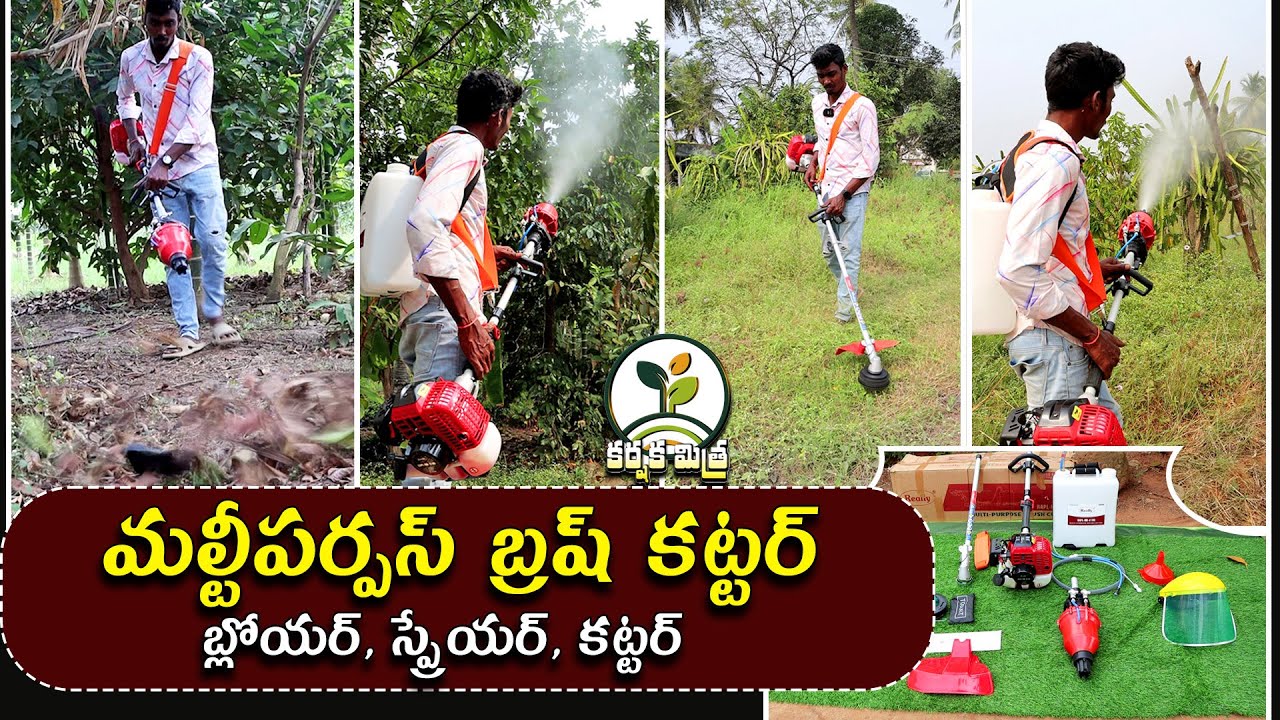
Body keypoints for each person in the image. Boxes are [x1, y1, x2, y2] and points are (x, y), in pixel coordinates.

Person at [399, 69, 527, 484]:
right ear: (498, 116)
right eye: (508, 118)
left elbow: (446, 228)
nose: (507, 127)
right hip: (444, 316)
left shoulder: (437, 148)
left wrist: (487, 253)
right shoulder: (467, 148)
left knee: (436, 447)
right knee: (432, 448)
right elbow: (424, 223)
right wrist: (467, 321)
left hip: (425, 309)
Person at [997, 42, 1132, 423]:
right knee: (1067, 451)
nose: (1108, 111)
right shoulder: (1056, 162)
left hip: (1052, 336)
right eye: (1109, 100)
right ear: (1094, 100)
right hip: (1055, 341)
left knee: (1108, 427)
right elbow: (1017, 270)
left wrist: (1089, 270)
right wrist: (1093, 336)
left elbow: (1037, 243)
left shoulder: (1029, 148)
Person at [118, 0, 240, 359]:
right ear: (144, 21)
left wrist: (165, 162)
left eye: (168, 24)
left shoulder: (198, 59)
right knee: (174, 249)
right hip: (160, 170)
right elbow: (125, 99)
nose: (162, 32)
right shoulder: (131, 58)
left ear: (178, 21)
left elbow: (197, 121)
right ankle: (188, 332)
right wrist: (134, 140)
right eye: (155, 23)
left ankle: (215, 317)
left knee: (213, 240)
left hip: (199, 164)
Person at [804, 43, 880, 323]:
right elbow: (823, 140)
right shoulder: (817, 104)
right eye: (821, 75)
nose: (827, 81)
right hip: (826, 188)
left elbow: (871, 160)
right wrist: (813, 163)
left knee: (848, 252)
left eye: (832, 74)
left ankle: (845, 312)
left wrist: (844, 196)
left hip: (852, 192)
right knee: (829, 253)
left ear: (844, 69)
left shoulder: (862, 107)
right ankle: (850, 289)